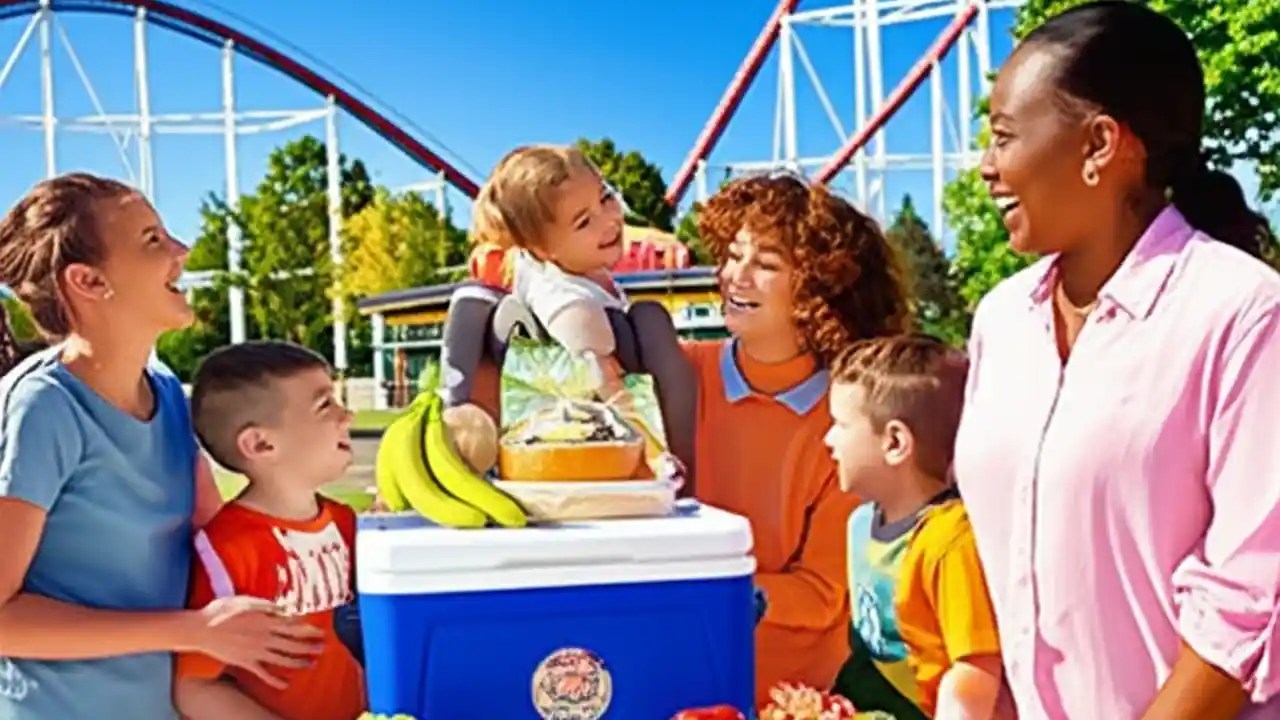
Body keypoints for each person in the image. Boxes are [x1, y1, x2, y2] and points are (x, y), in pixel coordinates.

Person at [954, 2, 1280, 717]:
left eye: (1004, 136)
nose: (985, 167)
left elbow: (1251, 598)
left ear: (1100, 144)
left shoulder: (1242, 311)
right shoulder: (1000, 322)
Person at [0, 173, 323, 719]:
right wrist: (194, 631)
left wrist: (332, 527)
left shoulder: (167, 391)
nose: (182, 249)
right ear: (89, 280)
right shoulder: (42, 409)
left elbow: (215, 538)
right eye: (153, 240)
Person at [687, 172, 912, 707]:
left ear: (816, 292)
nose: (734, 276)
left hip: (791, 696)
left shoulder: (851, 421)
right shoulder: (679, 370)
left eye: (765, 265)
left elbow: (822, 592)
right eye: (733, 255)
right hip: (678, 670)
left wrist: (700, 589)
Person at [175, 341, 364, 720]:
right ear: (260, 443)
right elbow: (194, 688)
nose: (349, 416)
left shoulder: (346, 523)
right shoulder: (225, 549)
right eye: (325, 405)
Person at [823, 334, 1003, 720]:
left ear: (894, 442)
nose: (828, 439)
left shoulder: (950, 541)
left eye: (840, 424)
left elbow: (974, 672)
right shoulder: (859, 524)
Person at [470, 144, 632, 400]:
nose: (609, 220)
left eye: (605, 197)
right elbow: (606, 383)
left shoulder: (571, 264)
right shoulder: (571, 306)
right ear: (543, 250)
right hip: (579, 420)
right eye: (584, 221)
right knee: (650, 322)